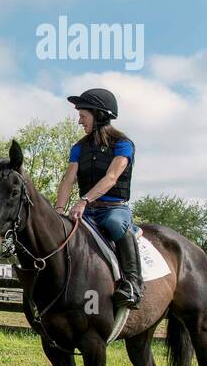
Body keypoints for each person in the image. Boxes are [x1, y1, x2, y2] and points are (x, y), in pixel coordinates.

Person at [55, 87, 142, 309]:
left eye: (83, 116)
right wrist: (59, 209)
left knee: (114, 224)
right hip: (87, 211)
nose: (79, 122)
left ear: (100, 115)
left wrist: (83, 200)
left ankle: (133, 284)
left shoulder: (123, 144)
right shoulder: (79, 148)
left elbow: (112, 177)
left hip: (114, 209)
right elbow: (67, 180)